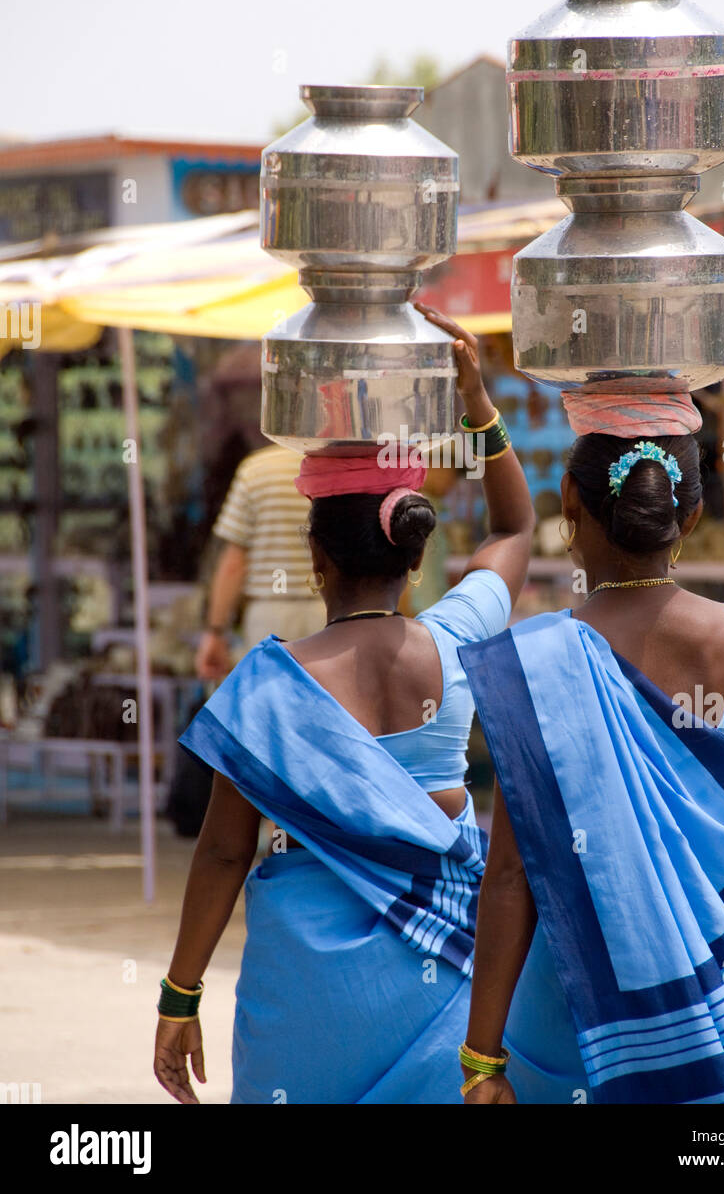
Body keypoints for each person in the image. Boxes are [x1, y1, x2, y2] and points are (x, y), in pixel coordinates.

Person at [153, 306, 535, 1104]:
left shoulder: (265, 685)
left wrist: (179, 997)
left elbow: (224, 852)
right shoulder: (457, 638)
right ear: (417, 553)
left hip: (306, 983)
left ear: (314, 558)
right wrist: (474, 396)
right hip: (441, 976)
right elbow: (516, 524)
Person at [456, 394, 724, 1105]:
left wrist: (482, 1060)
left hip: (573, 1028)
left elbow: (508, 876)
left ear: (567, 500)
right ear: (688, 516)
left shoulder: (534, 664)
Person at [195, 443, 320, 684]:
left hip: (268, 615)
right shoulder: (334, 468)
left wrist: (216, 631)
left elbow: (234, 564)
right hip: (327, 612)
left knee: (272, 713)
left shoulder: (256, 470)